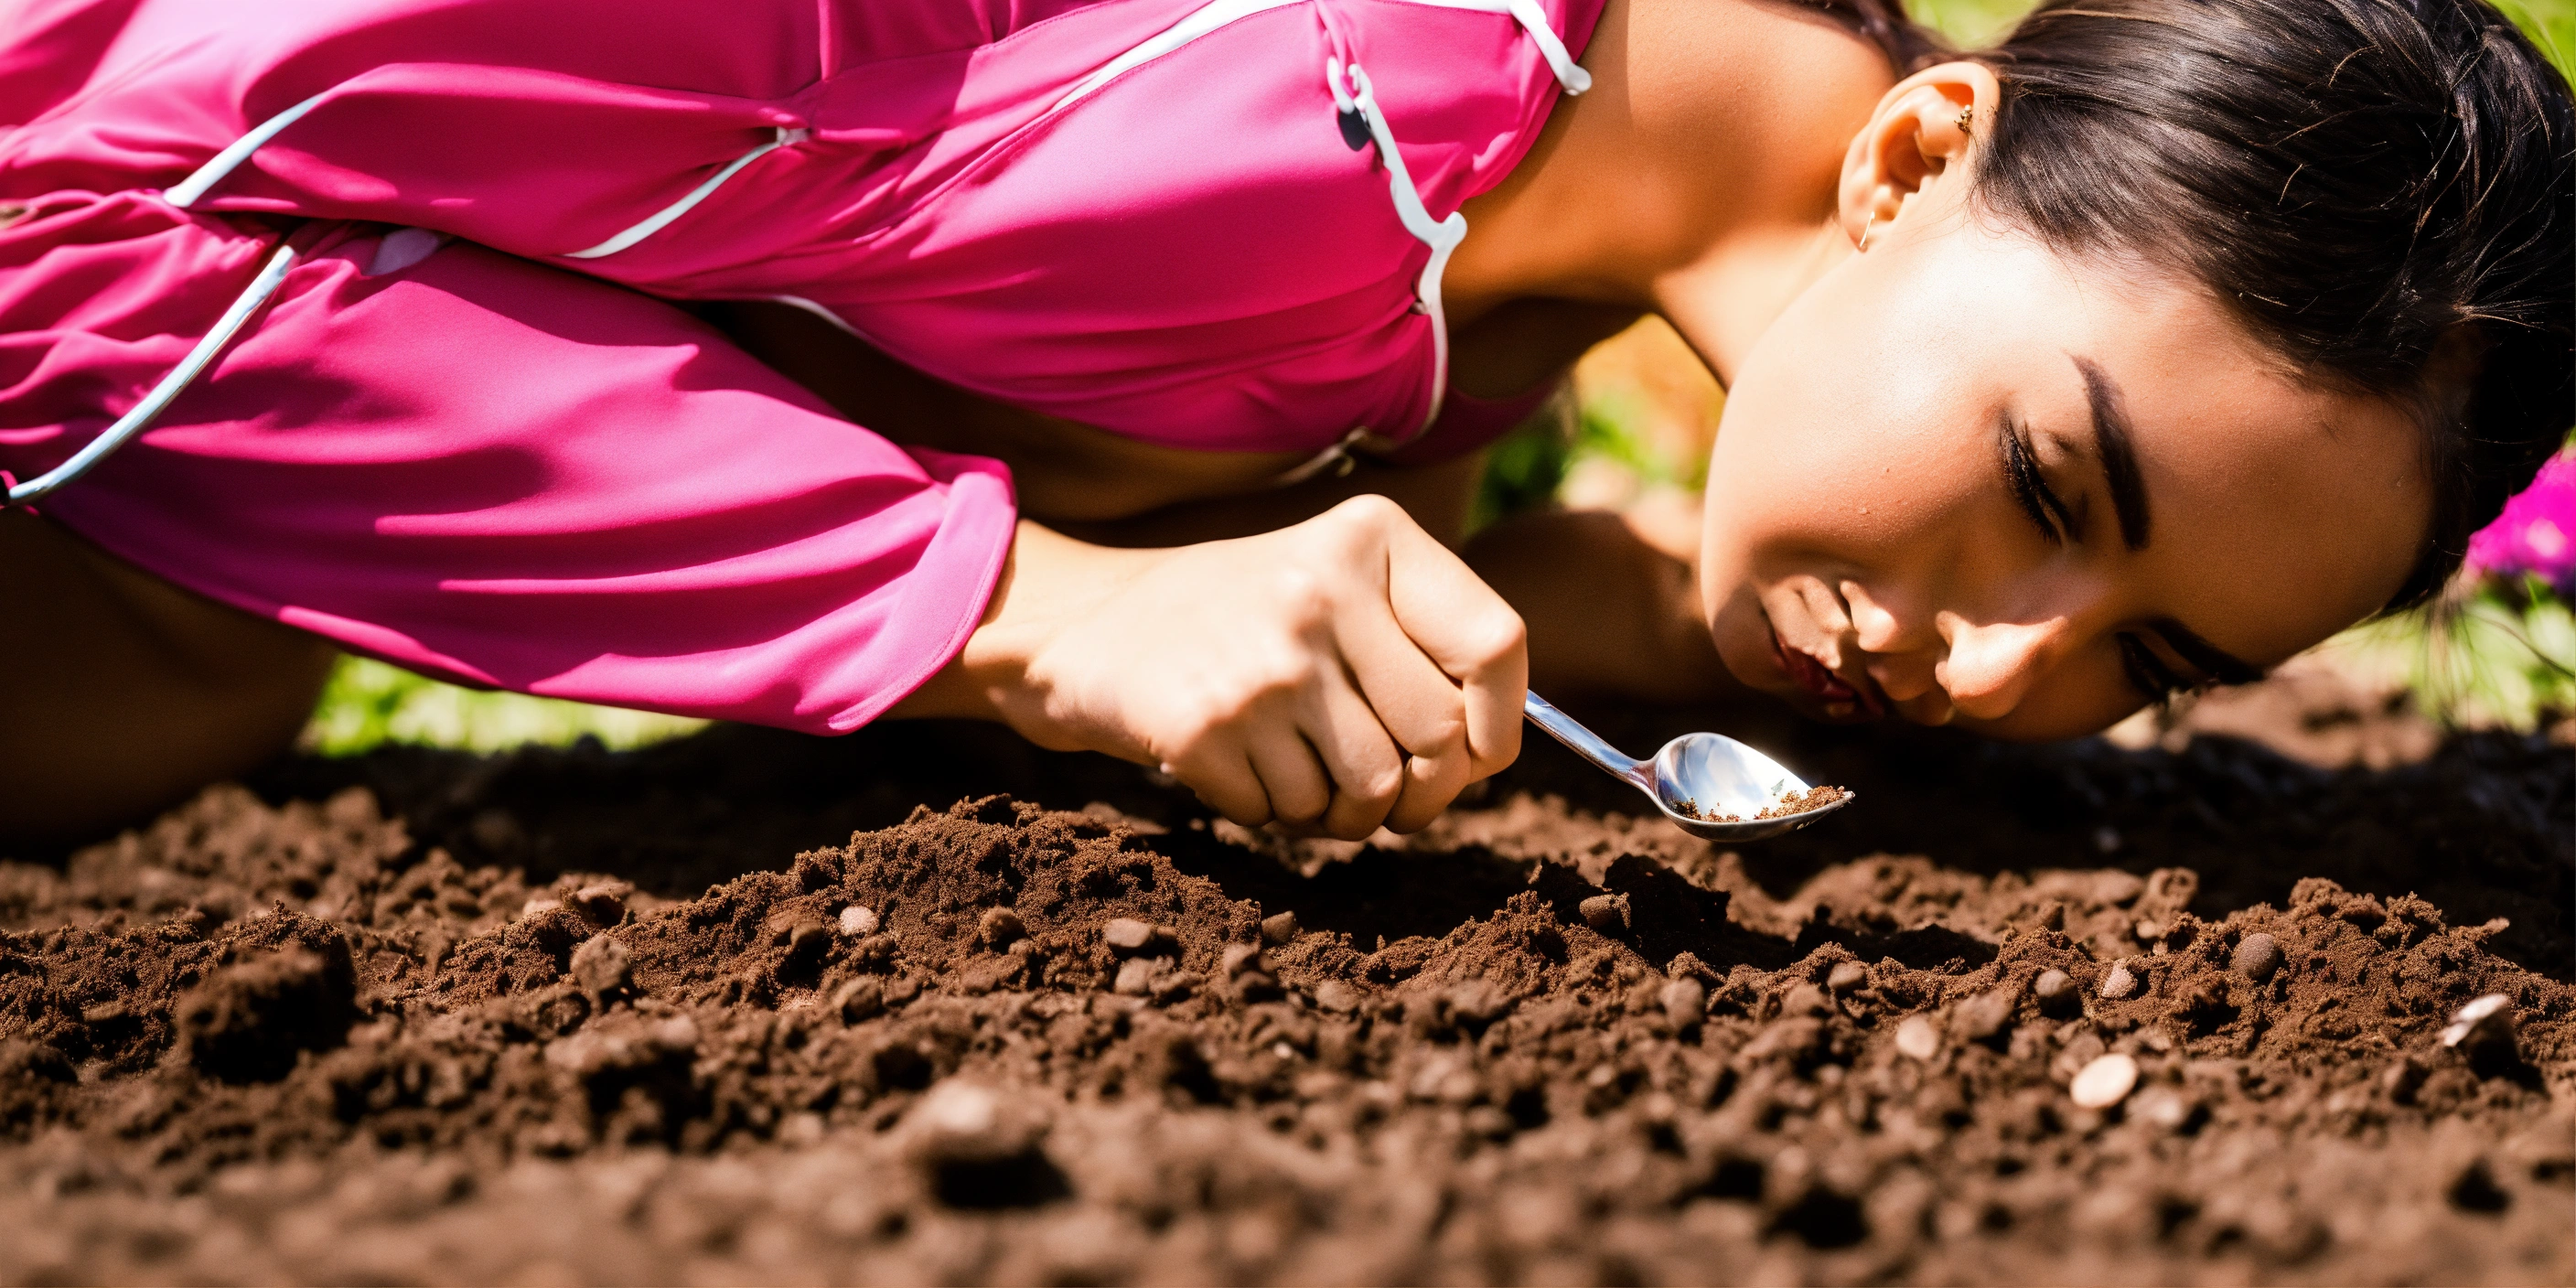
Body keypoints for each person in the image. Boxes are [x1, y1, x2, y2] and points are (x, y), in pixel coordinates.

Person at [0, 0, 2565, 842]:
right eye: (2047, 490)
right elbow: (62, 194)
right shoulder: (1287, 74)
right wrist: (1013, 602)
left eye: (2149, 661)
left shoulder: (1525, 252)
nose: (2011, 679)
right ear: (1915, 153)